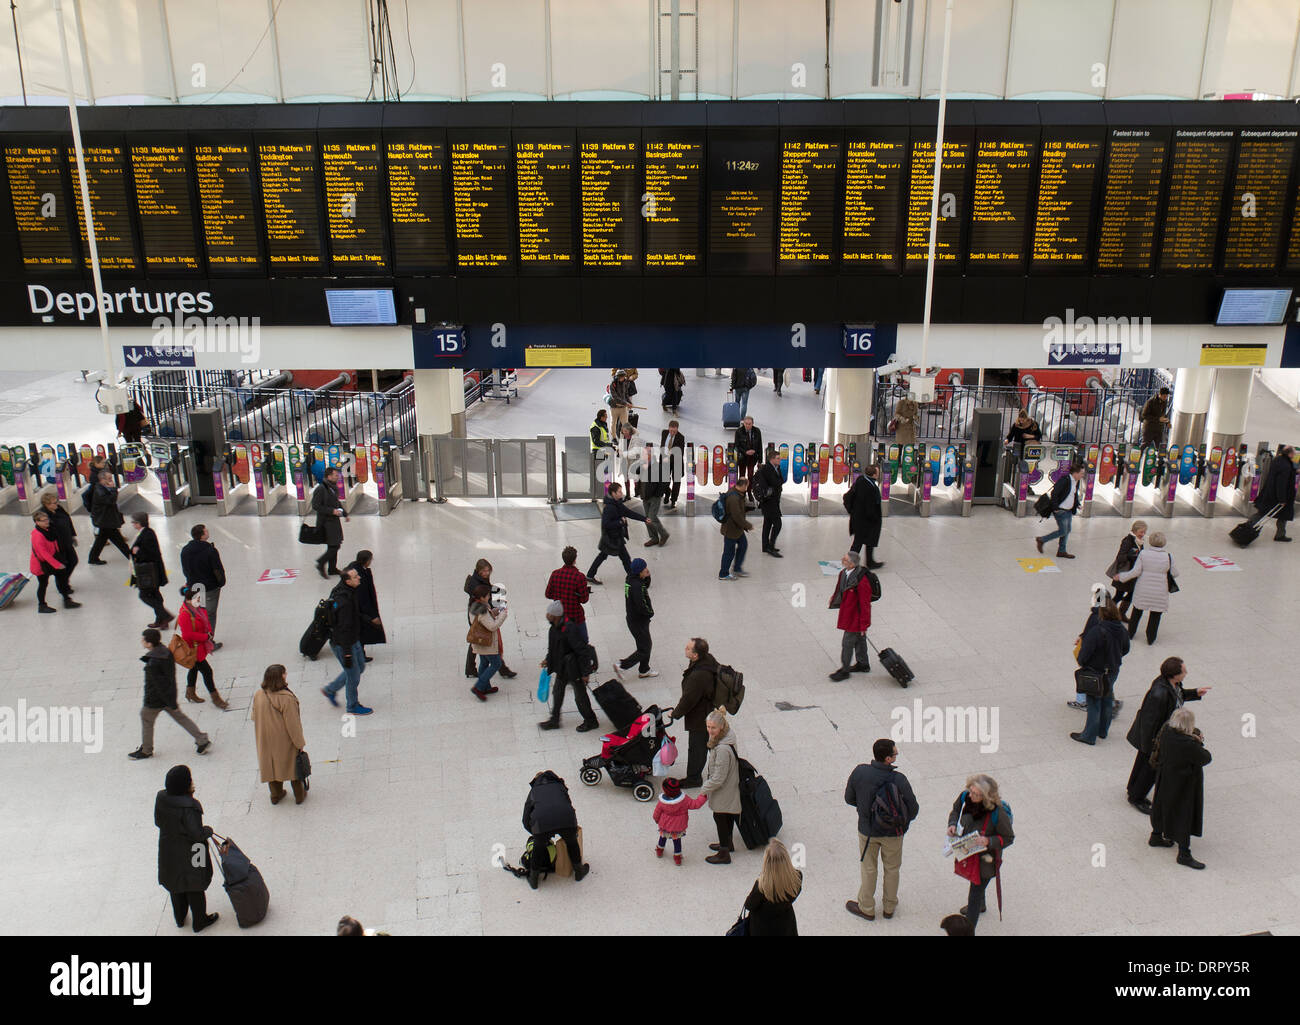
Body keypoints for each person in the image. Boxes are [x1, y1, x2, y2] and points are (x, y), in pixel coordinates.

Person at [844, 738, 919, 922]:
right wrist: (901, 823)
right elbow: (913, 808)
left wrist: (865, 811)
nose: (896, 755)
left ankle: (867, 908)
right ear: (888, 759)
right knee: (892, 868)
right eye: (895, 753)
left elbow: (848, 798)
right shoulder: (899, 779)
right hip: (893, 833)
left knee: (869, 868)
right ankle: (889, 907)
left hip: (867, 831)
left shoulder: (860, 772)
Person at [1125, 657, 1208, 813]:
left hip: (1157, 734)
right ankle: (1137, 797)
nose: (1186, 673)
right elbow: (1150, 721)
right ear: (1174, 674)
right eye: (1184, 671)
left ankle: (1133, 788)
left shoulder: (1172, 684)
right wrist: (1154, 744)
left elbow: (1179, 695)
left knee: (1142, 763)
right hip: (1155, 737)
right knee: (1151, 767)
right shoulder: (1159, 694)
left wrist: (1195, 693)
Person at [154, 764, 219, 932]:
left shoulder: (161, 799)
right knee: (195, 885)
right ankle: (200, 920)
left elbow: (158, 822)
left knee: (175, 885)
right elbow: (196, 834)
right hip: (194, 852)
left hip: (169, 850)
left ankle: (180, 918)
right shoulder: (190, 806)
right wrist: (208, 831)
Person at [946, 774, 1013, 934]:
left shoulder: (998, 813)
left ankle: (968, 932)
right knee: (975, 885)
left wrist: (988, 841)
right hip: (969, 851)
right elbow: (955, 810)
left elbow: (1008, 837)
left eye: (975, 794)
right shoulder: (965, 797)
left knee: (974, 894)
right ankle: (981, 904)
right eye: (970, 791)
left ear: (986, 797)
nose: (970, 795)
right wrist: (952, 824)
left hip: (985, 861)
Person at [129, 629, 212, 760]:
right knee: (181, 718)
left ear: (149, 643)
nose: (142, 641)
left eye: (143, 639)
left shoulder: (153, 663)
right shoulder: (165, 652)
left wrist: (158, 701)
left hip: (155, 700)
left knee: (146, 718)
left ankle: (146, 750)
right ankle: (202, 739)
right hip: (169, 695)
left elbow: (156, 685)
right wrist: (171, 700)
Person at [1148, 707, 1212, 869]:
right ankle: (1184, 853)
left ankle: (1156, 835)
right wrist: (1199, 741)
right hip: (1184, 783)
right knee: (1184, 814)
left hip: (1166, 776)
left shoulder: (1167, 732)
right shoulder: (1189, 744)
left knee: (1161, 804)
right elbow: (1205, 758)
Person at [1070, 600, 1130, 745]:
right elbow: (1126, 649)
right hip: (1113, 670)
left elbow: (1084, 654)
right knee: (1107, 699)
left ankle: (1089, 736)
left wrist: (1083, 663)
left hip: (1096, 671)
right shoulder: (1121, 629)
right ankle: (1103, 731)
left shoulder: (1097, 631)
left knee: (1094, 702)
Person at [251, 664, 309, 805]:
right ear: (280, 677)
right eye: (284, 673)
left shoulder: (259, 694)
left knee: (271, 766)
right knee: (292, 766)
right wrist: (299, 743)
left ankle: (275, 795)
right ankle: (299, 795)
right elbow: (293, 725)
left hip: (264, 739)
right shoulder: (286, 698)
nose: (286, 675)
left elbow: (254, 716)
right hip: (283, 739)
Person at [537, 600, 598, 732]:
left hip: (574, 669)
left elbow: (582, 651)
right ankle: (554, 720)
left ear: (556, 615)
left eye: (549, 613)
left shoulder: (569, 628)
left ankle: (591, 720)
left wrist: (585, 673)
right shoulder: (553, 628)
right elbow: (553, 647)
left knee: (580, 697)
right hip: (562, 668)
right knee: (557, 692)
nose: (547, 615)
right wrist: (548, 659)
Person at [522, 770, 589, 888]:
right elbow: (567, 804)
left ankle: (533, 879)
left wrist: (536, 836)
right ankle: (579, 871)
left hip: (542, 823)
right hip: (566, 819)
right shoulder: (560, 786)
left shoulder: (534, 791)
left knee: (538, 847)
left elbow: (525, 819)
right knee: (572, 842)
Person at [320, 566, 373, 715]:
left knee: (360, 668)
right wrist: (348, 654)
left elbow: (354, 617)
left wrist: (368, 620)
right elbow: (343, 630)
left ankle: (330, 689)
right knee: (353, 675)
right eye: (356, 577)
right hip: (344, 644)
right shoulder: (344, 602)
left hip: (352, 639)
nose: (359, 578)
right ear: (348, 581)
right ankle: (352, 706)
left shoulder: (347, 591)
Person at [669, 637, 718, 788]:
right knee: (708, 744)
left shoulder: (698, 676)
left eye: (688, 648)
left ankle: (694, 779)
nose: (685, 648)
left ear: (696, 655)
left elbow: (688, 699)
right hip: (708, 711)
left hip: (700, 716)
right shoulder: (707, 659)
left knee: (697, 747)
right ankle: (720, 768)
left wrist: (675, 714)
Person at [1115, 530, 1177, 644]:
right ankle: (1150, 638)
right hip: (1160, 591)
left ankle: (1131, 634)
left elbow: (1136, 572)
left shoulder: (1143, 554)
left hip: (1143, 589)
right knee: (1155, 615)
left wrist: (1122, 576)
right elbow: (1175, 573)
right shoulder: (1169, 557)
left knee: (1137, 611)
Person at [178, 584, 228, 709]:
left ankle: (190, 692)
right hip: (193, 649)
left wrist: (209, 633)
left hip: (199, 647)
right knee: (207, 671)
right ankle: (216, 698)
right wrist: (205, 637)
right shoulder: (185, 614)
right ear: (189, 600)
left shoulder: (197, 609)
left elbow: (206, 620)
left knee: (193, 669)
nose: (200, 601)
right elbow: (187, 635)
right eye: (197, 599)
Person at [586, 483, 646, 584]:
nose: (622, 493)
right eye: (619, 491)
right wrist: (620, 522)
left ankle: (590, 575)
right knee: (625, 558)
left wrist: (643, 519)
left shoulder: (616, 503)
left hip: (612, 537)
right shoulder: (610, 507)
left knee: (604, 556)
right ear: (613, 493)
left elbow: (628, 512)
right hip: (612, 538)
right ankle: (633, 579)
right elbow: (606, 523)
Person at [828, 551, 873, 681]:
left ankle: (845, 670)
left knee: (847, 643)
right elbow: (840, 588)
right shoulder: (844, 573)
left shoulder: (862, 581)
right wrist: (834, 598)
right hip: (848, 612)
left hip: (855, 618)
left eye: (846, 559)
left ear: (852, 564)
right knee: (860, 639)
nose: (842, 560)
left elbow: (865, 605)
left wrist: (864, 624)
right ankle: (863, 664)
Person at [742, 838, 802, 934]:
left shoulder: (762, 886)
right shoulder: (797, 877)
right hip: (786, 926)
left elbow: (749, 905)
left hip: (762, 928)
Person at [180, 525, 226, 649]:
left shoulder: (185, 550)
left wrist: (190, 581)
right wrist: (221, 582)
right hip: (210, 587)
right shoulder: (210, 550)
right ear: (202, 535)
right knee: (210, 614)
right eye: (206, 530)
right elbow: (217, 569)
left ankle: (198, 638)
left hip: (194, 587)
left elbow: (185, 570)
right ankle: (209, 641)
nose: (208, 531)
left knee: (196, 612)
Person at [129, 511, 172, 629]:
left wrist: (137, 552)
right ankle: (161, 620)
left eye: (134, 522)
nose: (132, 524)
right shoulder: (145, 533)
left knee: (144, 595)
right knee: (155, 594)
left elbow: (151, 553)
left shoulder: (147, 534)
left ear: (139, 522)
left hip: (149, 572)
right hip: (152, 571)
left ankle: (165, 615)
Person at [652, 776, 708, 866]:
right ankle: (677, 858)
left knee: (662, 838)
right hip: (678, 826)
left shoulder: (662, 801)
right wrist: (703, 796)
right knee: (677, 841)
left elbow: (657, 812)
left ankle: (659, 850)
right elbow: (696, 804)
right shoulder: (684, 799)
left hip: (665, 825)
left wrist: (656, 819)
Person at [29, 510, 78, 613]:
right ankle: (42, 605)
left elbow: (55, 543)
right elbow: (43, 553)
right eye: (43, 520)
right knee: (43, 584)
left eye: (47, 519)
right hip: (42, 564)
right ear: (36, 522)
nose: (46, 522)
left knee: (62, 579)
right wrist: (57, 564)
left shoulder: (49, 530)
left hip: (54, 559)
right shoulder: (37, 535)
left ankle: (66, 599)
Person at [467, 582, 508, 702]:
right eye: (488, 595)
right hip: (486, 643)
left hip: (479, 642)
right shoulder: (483, 610)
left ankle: (485, 687)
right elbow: (492, 626)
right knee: (496, 664)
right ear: (482, 597)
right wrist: (503, 615)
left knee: (484, 663)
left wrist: (493, 612)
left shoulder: (474, 606)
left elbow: (481, 620)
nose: (489, 597)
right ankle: (479, 687)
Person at [1247, 443, 1297, 541]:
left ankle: (1280, 534)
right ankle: (1248, 528)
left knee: (1278, 515)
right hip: (1279, 496)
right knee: (1265, 513)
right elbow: (1281, 484)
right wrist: (1282, 499)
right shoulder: (1286, 465)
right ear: (1290, 454)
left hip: (1269, 493)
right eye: (1294, 453)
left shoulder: (1278, 460)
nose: (1295, 456)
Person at [616, 559, 656, 679]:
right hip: (638, 621)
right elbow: (641, 605)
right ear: (639, 572)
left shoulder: (631, 579)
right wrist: (650, 613)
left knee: (644, 645)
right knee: (645, 648)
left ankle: (644, 670)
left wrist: (647, 576)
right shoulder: (637, 586)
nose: (647, 570)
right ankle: (622, 665)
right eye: (645, 569)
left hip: (634, 619)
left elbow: (646, 585)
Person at [1035, 464, 1084, 559]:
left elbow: (1073, 495)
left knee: (1067, 530)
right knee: (1063, 530)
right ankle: (1042, 540)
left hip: (1069, 510)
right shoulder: (1064, 480)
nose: (1083, 475)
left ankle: (1061, 551)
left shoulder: (1076, 482)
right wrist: (1056, 508)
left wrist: (1077, 504)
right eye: (1081, 473)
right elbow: (1054, 493)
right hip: (1061, 510)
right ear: (1075, 473)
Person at [345, 550, 385, 663]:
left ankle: (360, 654)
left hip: (357, 610)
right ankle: (359, 655)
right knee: (360, 633)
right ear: (366, 561)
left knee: (359, 633)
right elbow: (363, 599)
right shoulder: (360, 576)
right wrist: (372, 615)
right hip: (360, 612)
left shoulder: (354, 568)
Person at [545, 546, 591, 645]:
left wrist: (559, 595)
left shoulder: (555, 574)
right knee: (583, 642)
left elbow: (548, 594)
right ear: (575, 560)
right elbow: (584, 599)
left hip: (559, 618)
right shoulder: (580, 577)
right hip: (576, 616)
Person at [87, 470, 131, 564]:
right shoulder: (100, 491)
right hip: (106, 520)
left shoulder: (102, 488)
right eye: (109, 479)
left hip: (105, 519)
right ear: (102, 480)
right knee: (118, 541)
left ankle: (93, 558)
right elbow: (111, 501)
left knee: (101, 539)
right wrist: (113, 489)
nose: (111, 481)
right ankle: (131, 557)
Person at [846, 464, 884, 568]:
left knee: (869, 540)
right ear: (875, 474)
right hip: (865, 520)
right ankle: (850, 562)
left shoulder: (861, 480)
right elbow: (869, 506)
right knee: (858, 542)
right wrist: (874, 518)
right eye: (878, 472)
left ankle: (870, 561)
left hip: (860, 518)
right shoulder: (869, 487)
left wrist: (852, 511)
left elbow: (847, 496)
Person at [311, 467, 347, 579]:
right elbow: (316, 506)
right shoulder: (321, 489)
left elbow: (336, 502)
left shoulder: (333, 488)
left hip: (333, 520)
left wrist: (344, 513)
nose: (338, 477)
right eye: (336, 475)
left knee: (334, 544)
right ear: (329, 476)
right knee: (334, 545)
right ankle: (321, 563)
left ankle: (332, 568)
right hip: (326, 522)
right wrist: (332, 511)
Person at [39, 490, 78, 594]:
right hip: (57, 546)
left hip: (67, 541)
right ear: (47, 504)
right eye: (54, 503)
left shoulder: (59, 509)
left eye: (57, 502)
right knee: (62, 566)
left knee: (73, 561)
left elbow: (68, 520)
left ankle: (64, 582)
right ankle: (63, 585)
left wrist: (72, 535)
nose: (57, 504)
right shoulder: (44, 516)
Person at [1107, 520, 1147, 614]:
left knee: (1130, 594)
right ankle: (1108, 613)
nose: (1143, 534)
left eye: (1144, 532)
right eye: (1141, 532)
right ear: (1134, 531)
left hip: (1132, 573)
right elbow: (1120, 557)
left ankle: (1121, 613)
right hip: (1125, 572)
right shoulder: (1128, 541)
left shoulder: (1139, 541)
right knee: (1119, 595)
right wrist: (1131, 555)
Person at [718, 477, 752, 581]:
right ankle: (723, 573)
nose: (747, 489)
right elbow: (736, 515)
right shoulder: (733, 497)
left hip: (737, 529)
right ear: (743, 485)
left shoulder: (736, 492)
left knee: (743, 545)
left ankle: (737, 568)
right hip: (731, 529)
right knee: (729, 552)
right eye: (746, 486)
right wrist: (748, 525)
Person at [756, 448, 784, 556]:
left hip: (773, 500)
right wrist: (778, 482)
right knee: (777, 524)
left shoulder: (776, 468)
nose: (780, 460)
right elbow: (776, 482)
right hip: (769, 501)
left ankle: (765, 546)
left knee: (767, 523)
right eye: (778, 458)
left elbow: (781, 480)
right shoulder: (767, 469)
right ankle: (770, 546)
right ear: (772, 459)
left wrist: (779, 482)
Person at [640, 447, 670, 548]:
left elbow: (666, 480)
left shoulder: (658, 466)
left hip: (654, 497)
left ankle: (664, 534)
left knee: (652, 517)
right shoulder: (643, 465)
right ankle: (654, 538)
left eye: (644, 454)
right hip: (645, 496)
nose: (642, 456)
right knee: (647, 519)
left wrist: (659, 493)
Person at [734, 415, 763, 496]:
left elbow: (759, 445)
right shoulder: (739, 432)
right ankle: (741, 492)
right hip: (743, 457)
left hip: (753, 457)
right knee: (742, 476)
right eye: (746, 424)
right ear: (743, 423)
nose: (747, 426)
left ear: (752, 423)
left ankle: (749, 492)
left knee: (750, 475)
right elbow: (737, 446)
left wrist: (760, 460)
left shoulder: (757, 431)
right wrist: (745, 452)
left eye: (749, 424)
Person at [660, 420, 686, 508]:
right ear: (668, 428)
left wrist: (669, 457)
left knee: (676, 482)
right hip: (664, 462)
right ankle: (667, 493)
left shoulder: (681, 437)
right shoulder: (664, 433)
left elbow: (680, 452)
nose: (672, 433)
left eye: (674, 431)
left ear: (677, 429)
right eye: (670, 431)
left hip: (676, 463)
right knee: (664, 481)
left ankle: (674, 500)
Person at [608, 369, 635, 436]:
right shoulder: (612, 384)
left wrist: (629, 402)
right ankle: (614, 438)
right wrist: (626, 403)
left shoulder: (625, 382)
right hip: (614, 407)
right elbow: (615, 397)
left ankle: (623, 438)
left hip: (623, 407)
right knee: (613, 423)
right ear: (618, 377)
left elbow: (626, 394)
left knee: (625, 423)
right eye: (622, 377)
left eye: (624, 377)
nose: (623, 378)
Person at [589, 408, 614, 477]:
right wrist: (607, 445)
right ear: (601, 417)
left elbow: (605, 438)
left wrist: (610, 446)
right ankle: (599, 487)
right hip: (598, 451)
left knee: (606, 471)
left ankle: (605, 487)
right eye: (606, 416)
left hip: (604, 450)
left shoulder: (603, 424)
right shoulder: (595, 427)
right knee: (600, 473)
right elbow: (596, 441)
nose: (607, 417)